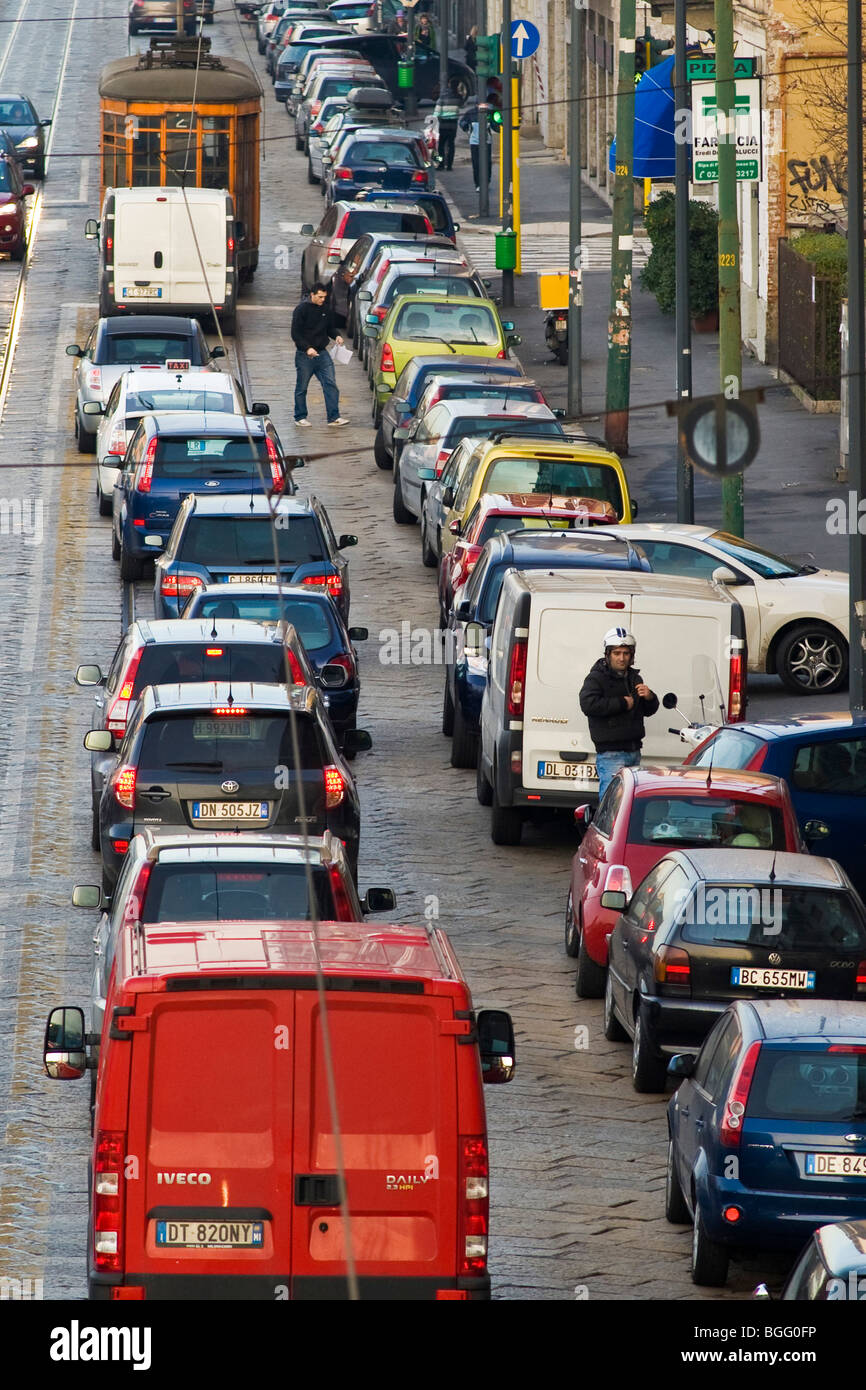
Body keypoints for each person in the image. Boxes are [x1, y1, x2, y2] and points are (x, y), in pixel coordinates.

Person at [579, 626, 659, 800]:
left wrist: (650, 697)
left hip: (633, 751)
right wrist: (622, 703)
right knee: (612, 802)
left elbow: (647, 711)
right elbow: (588, 704)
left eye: (626, 653)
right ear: (608, 654)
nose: (621, 658)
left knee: (628, 803)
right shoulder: (596, 678)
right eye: (616, 653)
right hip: (610, 753)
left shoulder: (634, 678)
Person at [290, 282, 349, 427]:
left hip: (322, 354)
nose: (322, 300)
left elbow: (330, 328)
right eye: (320, 297)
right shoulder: (301, 310)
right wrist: (307, 348)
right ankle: (300, 416)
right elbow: (295, 334)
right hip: (305, 355)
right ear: (312, 295)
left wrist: (337, 336)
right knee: (302, 387)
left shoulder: (326, 310)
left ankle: (334, 417)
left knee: (330, 384)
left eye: (324, 297)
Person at [460, 103, 491, 190]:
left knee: (487, 163)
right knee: (476, 164)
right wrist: (465, 127)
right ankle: (478, 184)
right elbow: (462, 122)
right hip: (475, 142)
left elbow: (495, 124)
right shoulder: (471, 113)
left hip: (486, 142)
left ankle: (486, 181)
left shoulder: (489, 112)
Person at [433, 77, 461, 170]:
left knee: (441, 146)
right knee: (451, 145)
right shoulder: (458, 97)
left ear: (449, 85)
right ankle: (449, 166)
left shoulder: (443, 97)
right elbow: (461, 106)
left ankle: (441, 165)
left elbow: (436, 112)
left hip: (443, 125)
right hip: (453, 125)